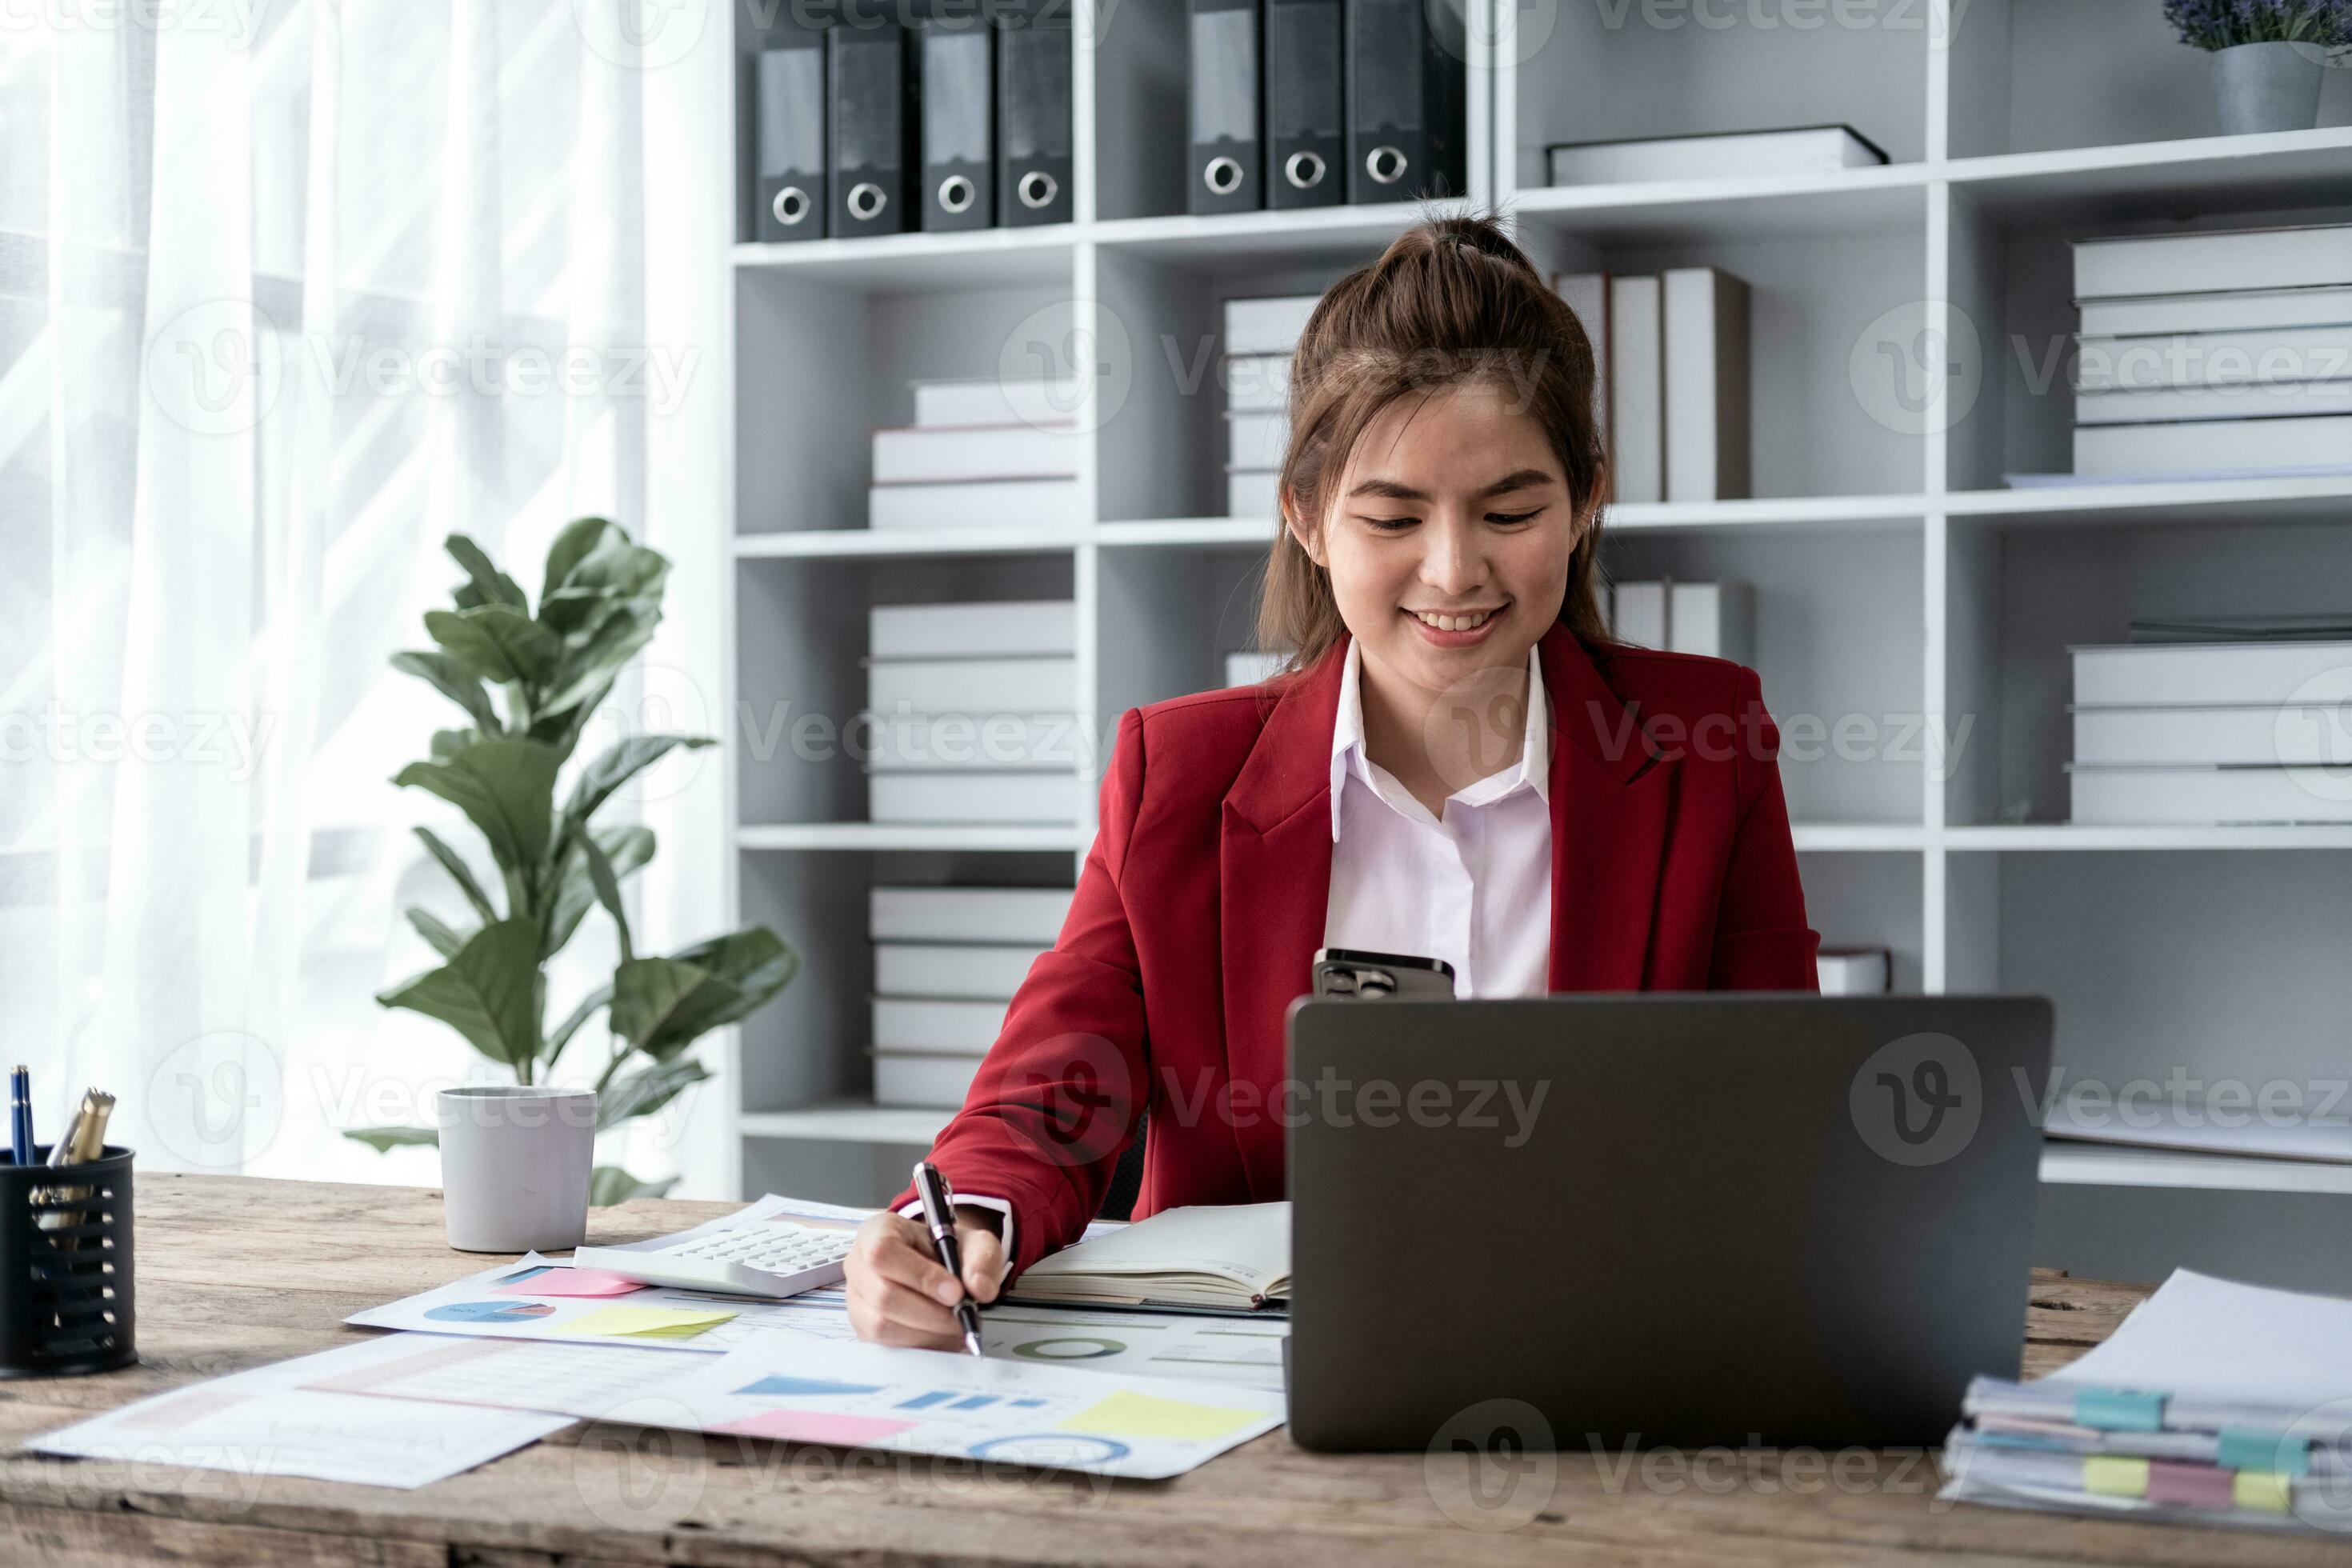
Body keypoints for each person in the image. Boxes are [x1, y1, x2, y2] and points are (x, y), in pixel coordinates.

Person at [845, 210, 1820, 1348]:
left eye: (1510, 513)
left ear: (1586, 499)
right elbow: (1051, 1094)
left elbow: (1776, 1112)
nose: (1455, 572)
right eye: (1393, 517)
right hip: (1248, 1383)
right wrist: (953, 1221)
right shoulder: (1181, 773)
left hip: (1607, 1351)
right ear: (1306, 516)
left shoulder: (1705, 743)